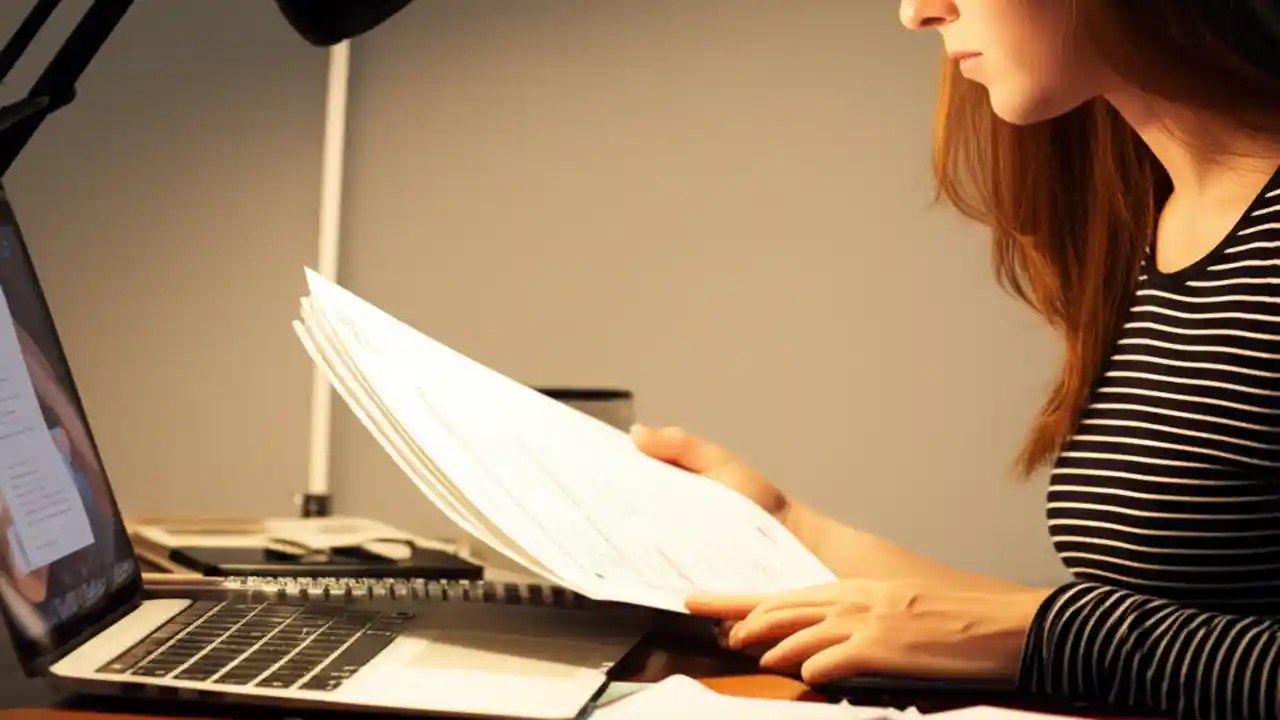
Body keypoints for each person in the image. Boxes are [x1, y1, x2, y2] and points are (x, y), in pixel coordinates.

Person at [629, 2, 1280, 719]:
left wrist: (1035, 635)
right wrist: (785, 525)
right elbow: (1135, 625)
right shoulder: (1160, 219)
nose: (917, 12)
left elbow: (1065, 635)